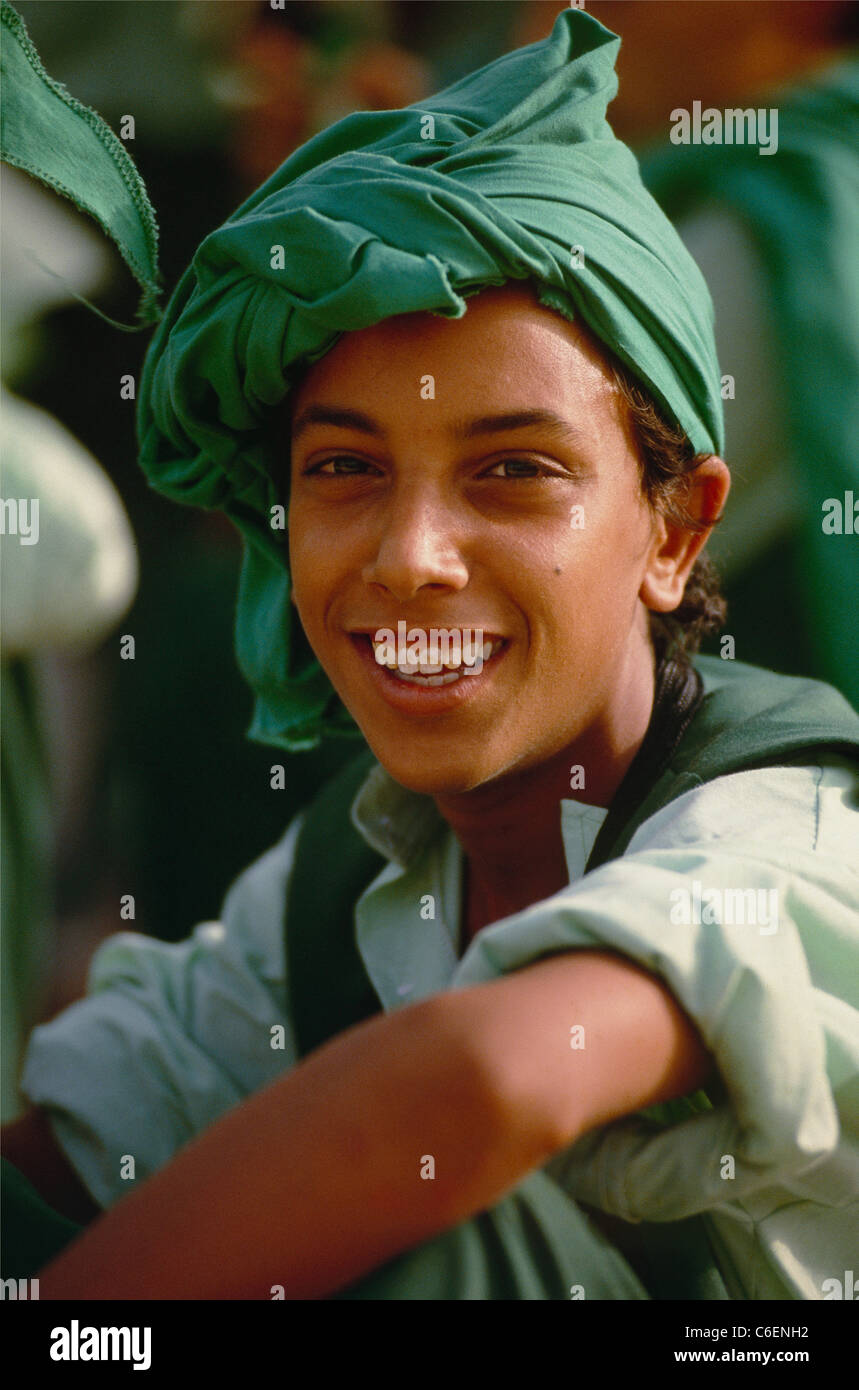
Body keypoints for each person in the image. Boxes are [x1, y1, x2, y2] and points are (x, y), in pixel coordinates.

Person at [3, 7, 858, 1301]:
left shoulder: (782, 832)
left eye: (513, 472)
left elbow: (486, 1077)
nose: (409, 556)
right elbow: (77, 1148)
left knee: (447, 1232)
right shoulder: (353, 877)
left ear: (674, 531)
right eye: (345, 469)